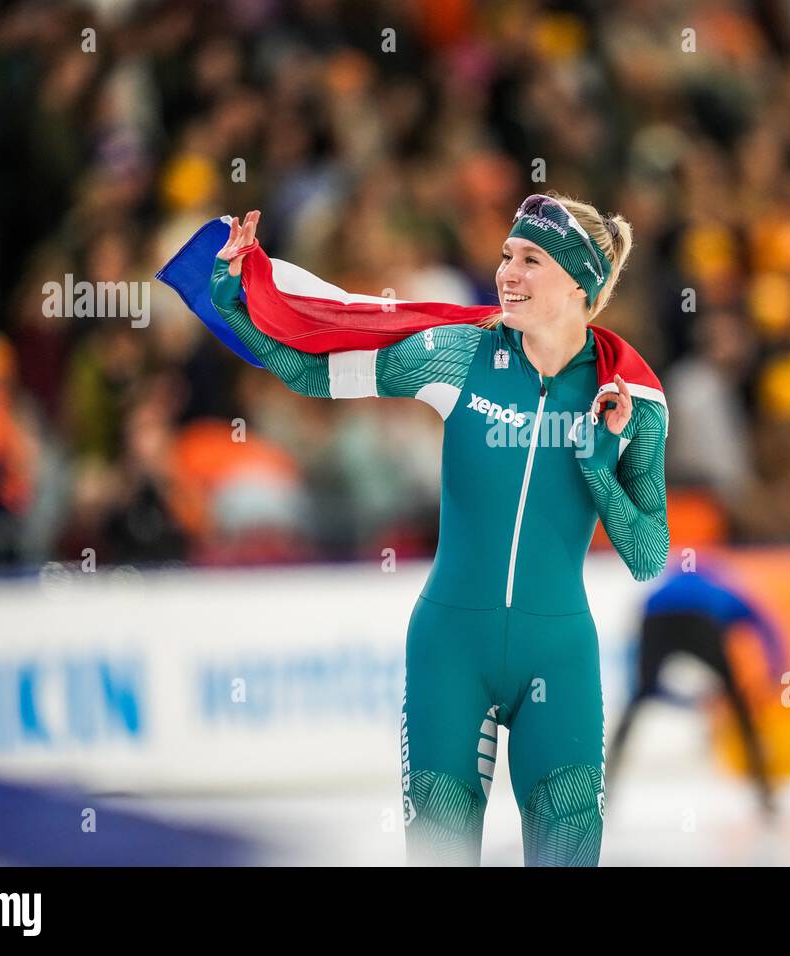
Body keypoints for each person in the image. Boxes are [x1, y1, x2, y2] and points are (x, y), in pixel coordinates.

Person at [204, 195, 669, 866]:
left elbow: (649, 557)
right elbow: (309, 368)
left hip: (558, 657)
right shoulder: (457, 354)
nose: (508, 271)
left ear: (580, 285)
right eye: (507, 255)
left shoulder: (631, 399)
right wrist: (230, 294)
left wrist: (598, 467)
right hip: (451, 650)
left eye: (531, 261)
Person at [604, 560, 786, 819]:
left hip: (655, 618)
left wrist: (669, 696)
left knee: (635, 704)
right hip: (702, 619)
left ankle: (604, 790)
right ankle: (765, 795)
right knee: (739, 708)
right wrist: (778, 669)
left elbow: (636, 661)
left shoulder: (661, 590)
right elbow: (767, 624)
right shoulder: (722, 589)